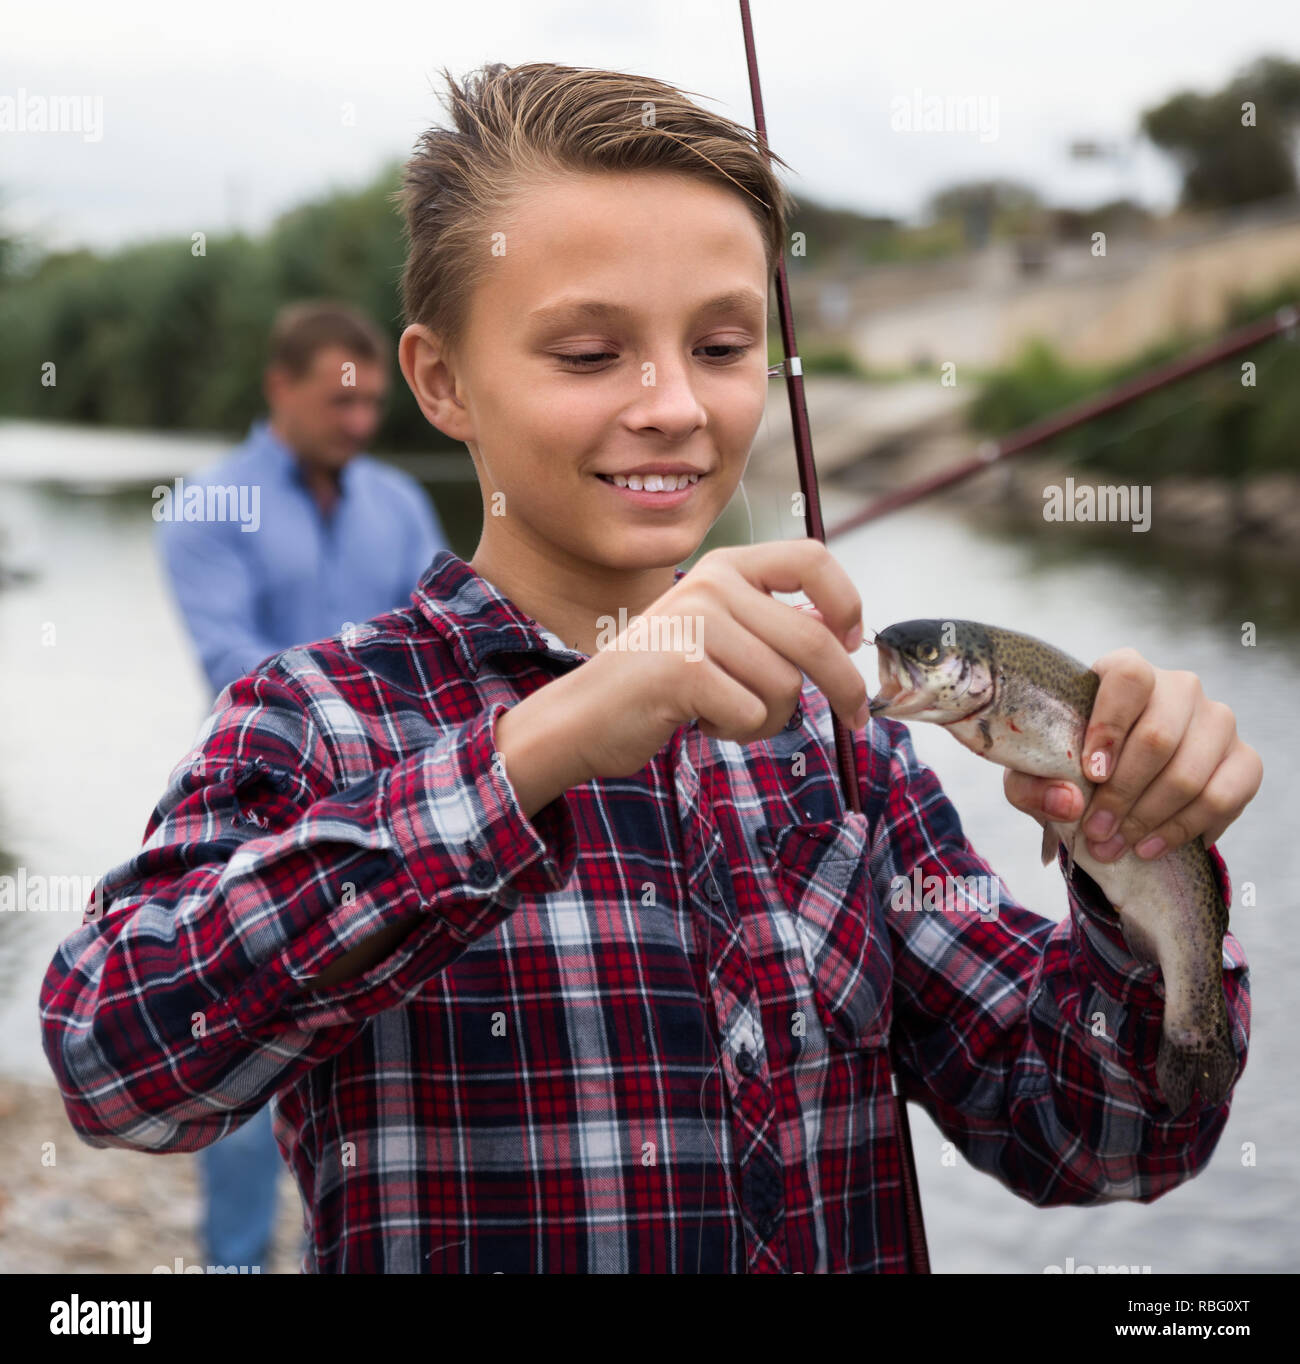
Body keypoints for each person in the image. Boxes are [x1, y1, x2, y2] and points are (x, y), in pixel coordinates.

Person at [42, 62, 1260, 1273]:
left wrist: (1132, 865)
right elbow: (116, 1068)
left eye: (723, 344)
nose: (674, 404)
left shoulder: (847, 744)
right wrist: (540, 747)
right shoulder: (309, 721)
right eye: (586, 354)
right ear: (440, 380)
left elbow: (1103, 1140)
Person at [154, 299, 447, 1270]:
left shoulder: (401, 501)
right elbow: (235, 667)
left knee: (393, 1077)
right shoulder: (204, 505)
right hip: (253, 824)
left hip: (395, 835)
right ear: (280, 388)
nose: (360, 423)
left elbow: (440, 644)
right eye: (338, 402)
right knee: (242, 1082)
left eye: (369, 405)